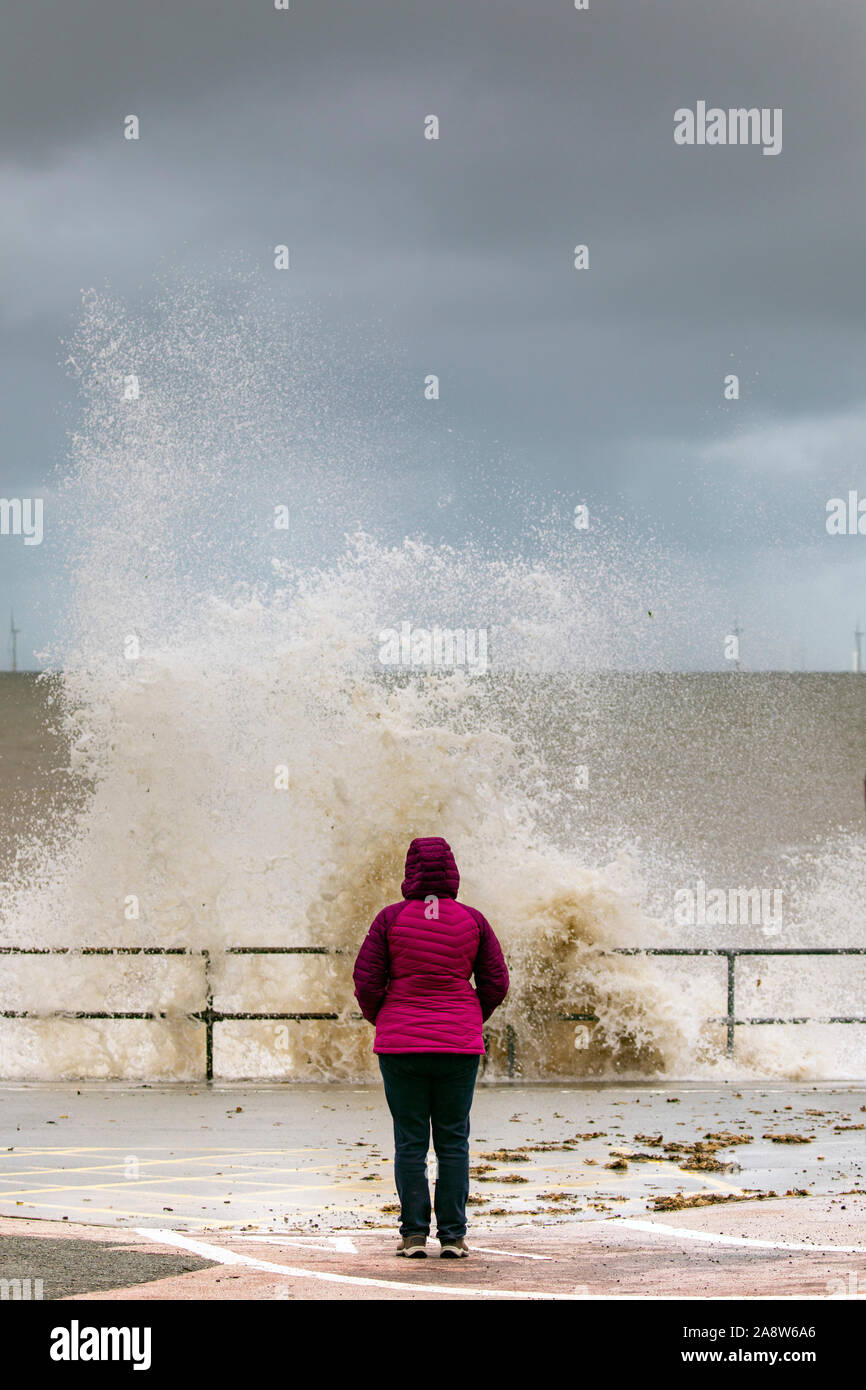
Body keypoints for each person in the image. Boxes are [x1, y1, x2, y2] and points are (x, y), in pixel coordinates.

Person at [352, 836, 509, 1258]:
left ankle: (414, 1234)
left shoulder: (389, 919)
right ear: (452, 872)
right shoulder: (473, 920)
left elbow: (366, 981)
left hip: (401, 1047)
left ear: (410, 871)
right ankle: (454, 1236)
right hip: (458, 1047)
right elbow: (497, 982)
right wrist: (469, 1018)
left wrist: (386, 1019)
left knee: (411, 1141)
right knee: (454, 1140)